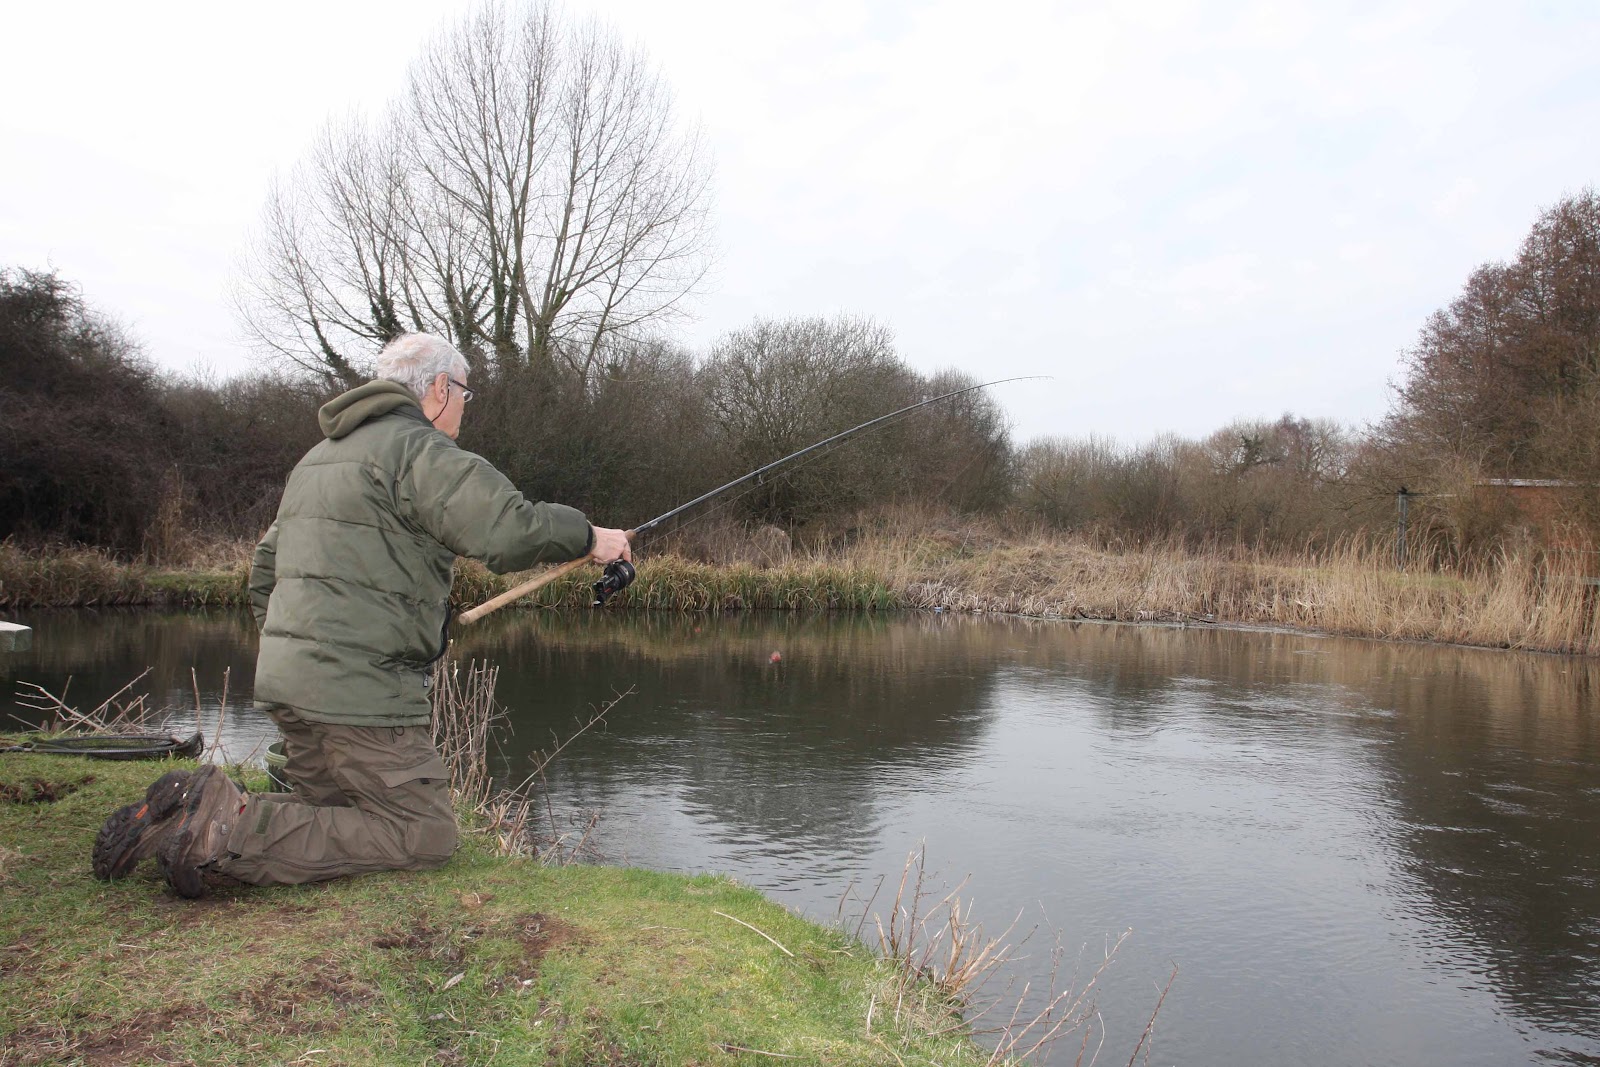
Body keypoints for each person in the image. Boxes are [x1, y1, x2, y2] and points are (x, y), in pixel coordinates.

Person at [92, 332, 631, 896]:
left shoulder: (318, 460)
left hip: (290, 686)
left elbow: (264, 572)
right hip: (360, 694)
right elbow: (506, 530)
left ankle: (186, 819)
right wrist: (591, 537)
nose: (464, 411)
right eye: (466, 396)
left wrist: (295, 651)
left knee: (334, 813)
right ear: (441, 388)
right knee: (421, 835)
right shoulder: (418, 451)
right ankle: (222, 828)